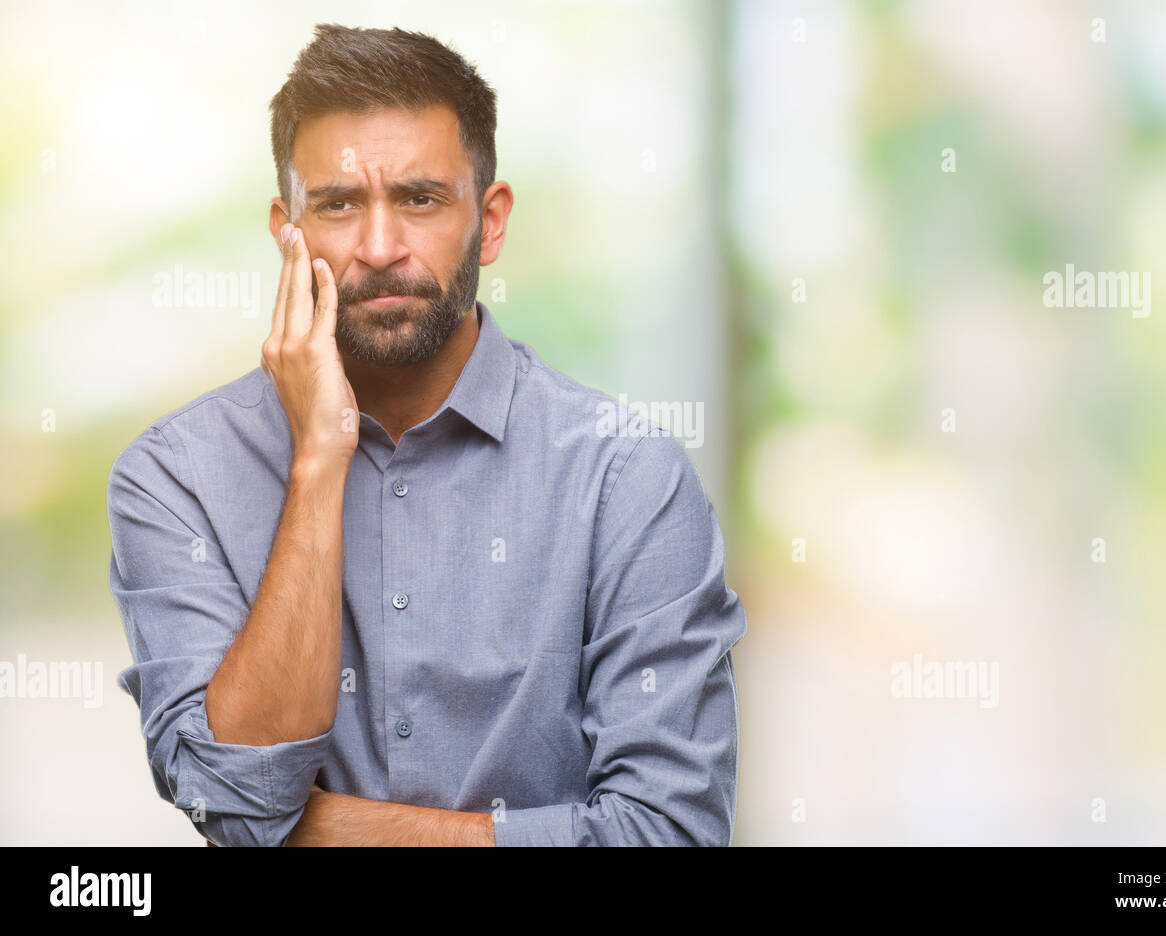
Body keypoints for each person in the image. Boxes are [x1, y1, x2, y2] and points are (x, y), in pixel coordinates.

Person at [106, 23, 746, 846]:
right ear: (285, 231)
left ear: (492, 220)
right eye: (339, 203)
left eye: (420, 199)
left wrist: (307, 830)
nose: (380, 247)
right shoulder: (176, 476)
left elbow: (670, 834)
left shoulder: (626, 479)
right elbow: (232, 793)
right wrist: (318, 460)